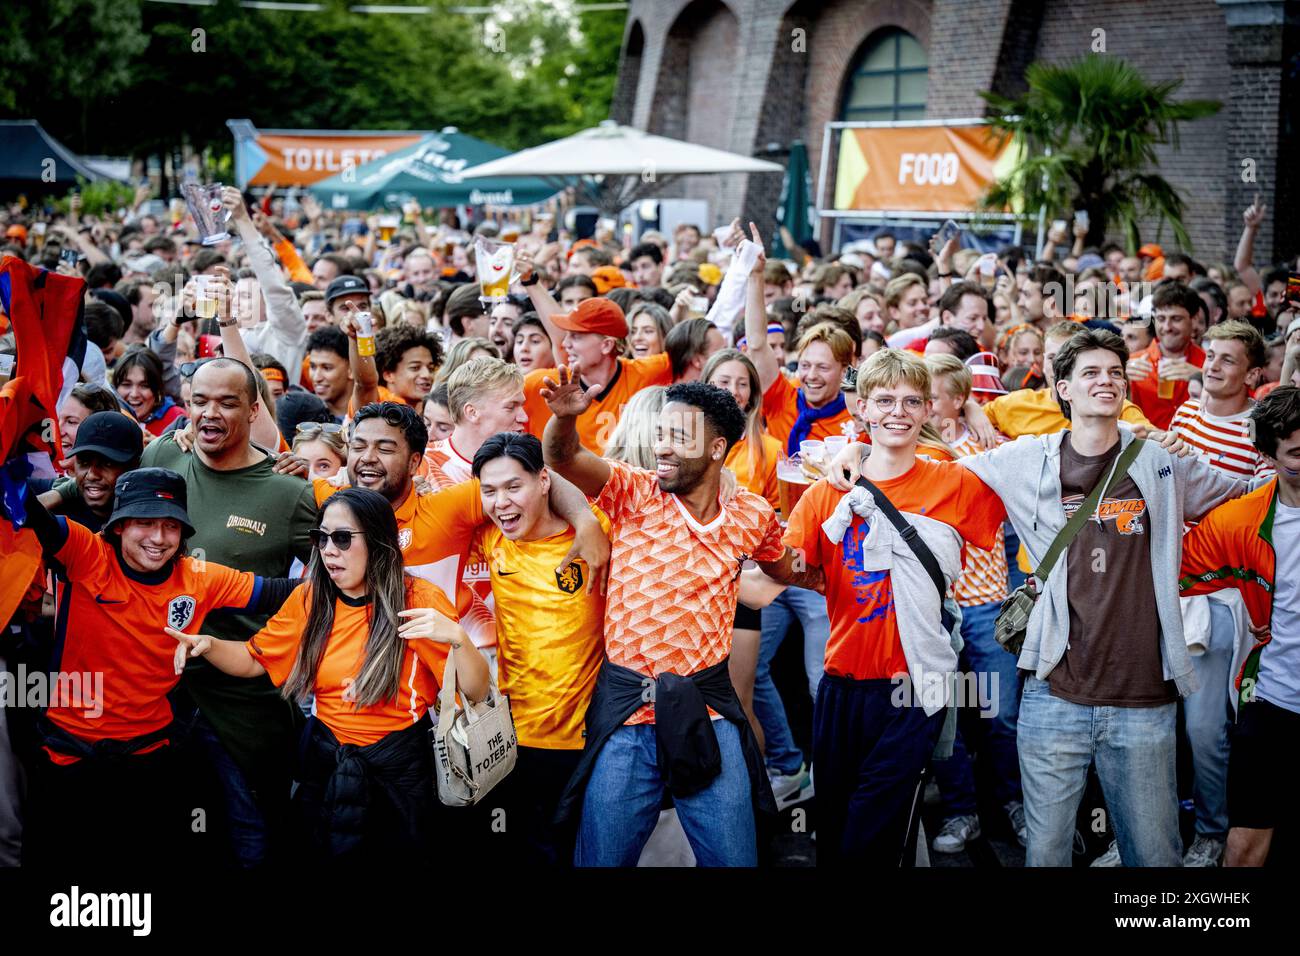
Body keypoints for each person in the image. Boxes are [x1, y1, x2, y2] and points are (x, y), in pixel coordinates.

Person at [543, 374, 820, 866]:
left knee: (734, 861)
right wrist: (565, 417)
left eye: (678, 436)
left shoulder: (750, 515)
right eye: (661, 434)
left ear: (716, 449)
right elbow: (562, 459)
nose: (662, 447)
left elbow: (787, 567)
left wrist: (838, 562)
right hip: (628, 714)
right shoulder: (634, 492)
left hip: (707, 714)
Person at [775, 350, 1007, 865]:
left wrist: (975, 412)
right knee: (834, 829)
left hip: (913, 683)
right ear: (862, 409)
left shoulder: (957, 482)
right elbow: (781, 574)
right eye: (884, 400)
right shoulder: (825, 492)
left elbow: (1046, 473)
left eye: (910, 401)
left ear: (928, 409)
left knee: (876, 830)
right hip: (840, 680)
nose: (897, 412)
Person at [172, 487, 488, 860]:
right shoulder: (310, 599)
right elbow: (254, 659)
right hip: (325, 760)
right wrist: (209, 645)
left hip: (397, 771)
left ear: (379, 541)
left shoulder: (418, 600)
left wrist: (457, 639)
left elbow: (476, 691)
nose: (329, 550)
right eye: (321, 538)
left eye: (342, 538)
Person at [9, 468, 301, 863]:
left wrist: (355, 573)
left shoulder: (200, 578)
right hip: (69, 758)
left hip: (150, 761)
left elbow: (282, 594)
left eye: (170, 525)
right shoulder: (87, 553)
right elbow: (30, 512)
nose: (159, 538)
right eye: (144, 523)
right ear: (119, 527)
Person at [141, 356, 318, 867]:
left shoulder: (288, 491)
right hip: (156, 694)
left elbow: (337, 582)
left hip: (245, 704)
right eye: (199, 401)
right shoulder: (163, 456)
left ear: (254, 408)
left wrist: (289, 650)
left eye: (226, 402)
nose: (210, 413)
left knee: (252, 836)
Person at [465, 433, 608, 865]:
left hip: (589, 738)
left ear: (544, 482)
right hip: (512, 738)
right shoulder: (490, 539)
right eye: (489, 491)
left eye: (513, 487)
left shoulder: (597, 531)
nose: (501, 502)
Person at [1178, 387, 1300, 867]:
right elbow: (1172, 574)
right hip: (1276, 701)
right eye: (1296, 454)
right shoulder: (1240, 522)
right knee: (1244, 850)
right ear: (1267, 455)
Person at [1167, 319, 1273, 867]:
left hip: (1220, 594)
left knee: (1206, 728)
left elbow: (1250, 509)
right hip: (1163, 583)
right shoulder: (1185, 412)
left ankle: (1211, 830)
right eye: (1209, 355)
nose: (1211, 365)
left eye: (1227, 359)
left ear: (1254, 373)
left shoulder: (1261, 429)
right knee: (1151, 722)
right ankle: (1143, 831)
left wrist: (1193, 479)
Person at [922, 355, 1024, 852]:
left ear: (959, 400)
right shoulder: (910, 452)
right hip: (933, 610)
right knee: (945, 717)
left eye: (932, 396)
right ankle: (961, 812)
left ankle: (1015, 803)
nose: (921, 406)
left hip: (985, 605)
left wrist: (981, 417)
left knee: (1001, 714)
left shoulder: (992, 449)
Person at [520, 297, 672, 454]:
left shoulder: (649, 373)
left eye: (576, 336)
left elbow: (692, 347)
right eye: (567, 335)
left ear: (606, 345)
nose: (565, 344)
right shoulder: (539, 385)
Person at [981, 321, 1152, 438]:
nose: (1058, 367)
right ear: (1042, 362)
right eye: (1052, 358)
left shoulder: (1113, 406)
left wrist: (1157, 438)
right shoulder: (1014, 404)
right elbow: (962, 419)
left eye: (1068, 359)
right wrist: (970, 408)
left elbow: (1151, 435)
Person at [33, 410, 143, 533]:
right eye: (84, 463)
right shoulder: (51, 495)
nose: (91, 475)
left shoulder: (148, 523)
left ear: (134, 466)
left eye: (107, 464)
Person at [1127, 282, 1207, 429]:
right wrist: (1119, 378)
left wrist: (1204, 378)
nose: (1167, 327)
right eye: (1161, 319)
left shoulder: (1209, 364)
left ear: (1194, 319)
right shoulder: (1132, 363)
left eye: (1176, 319)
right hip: (1146, 447)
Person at [113, 346, 184, 437]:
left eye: (144, 386)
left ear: (158, 388)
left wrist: (159, 447)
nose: (134, 394)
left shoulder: (178, 420)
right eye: (126, 384)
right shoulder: (105, 419)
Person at [305, 326, 353, 422]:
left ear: (351, 370)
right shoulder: (302, 416)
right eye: (313, 367)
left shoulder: (374, 412)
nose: (317, 378)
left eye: (327, 368)